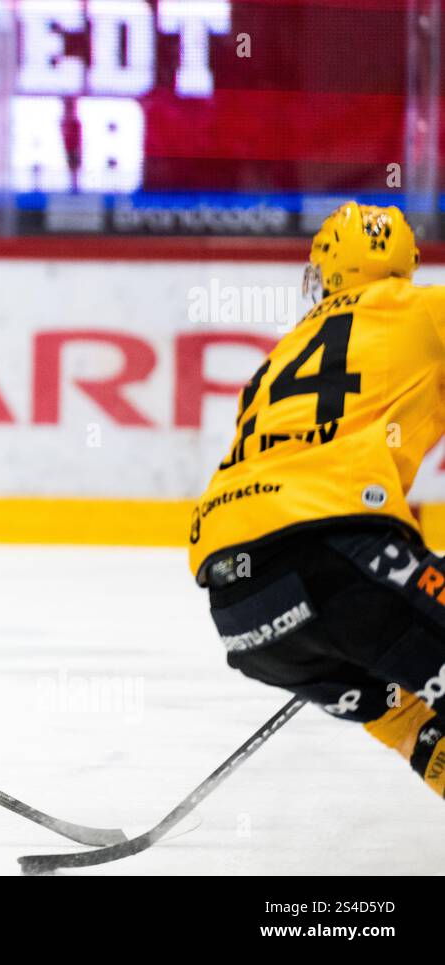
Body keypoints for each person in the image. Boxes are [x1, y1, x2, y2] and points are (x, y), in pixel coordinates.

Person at [190, 201, 445, 798]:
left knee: (411, 721)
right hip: (342, 559)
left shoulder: (276, 360)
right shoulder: (424, 309)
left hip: (241, 609)